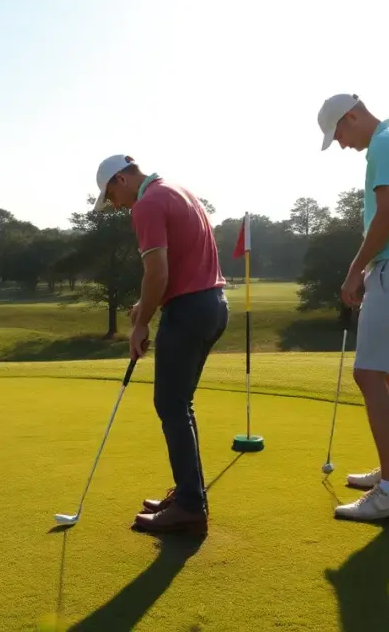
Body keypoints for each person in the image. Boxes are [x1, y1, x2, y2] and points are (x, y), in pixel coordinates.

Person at [92, 154, 228, 535]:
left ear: (121, 178)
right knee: (180, 404)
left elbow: (158, 272)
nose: (116, 205)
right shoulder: (178, 191)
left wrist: (141, 325)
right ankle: (189, 494)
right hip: (213, 305)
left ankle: (189, 506)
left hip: (188, 309)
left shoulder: (147, 204)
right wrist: (144, 305)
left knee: (170, 405)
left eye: (112, 195)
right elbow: (173, 267)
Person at [316, 94, 389, 521]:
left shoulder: (384, 145)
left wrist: (355, 269)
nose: (343, 144)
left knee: (367, 373)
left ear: (351, 115)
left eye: (340, 133)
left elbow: (386, 215)